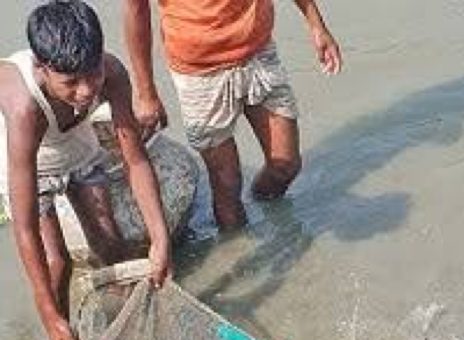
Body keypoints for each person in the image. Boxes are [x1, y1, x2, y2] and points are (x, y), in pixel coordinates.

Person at [1, 0, 173, 340]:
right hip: (30, 157)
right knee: (56, 262)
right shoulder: (23, 107)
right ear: (41, 69)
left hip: (79, 147)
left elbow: (135, 158)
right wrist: (49, 317)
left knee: (112, 243)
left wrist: (160, 238)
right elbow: (25, 224)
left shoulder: (110, 72)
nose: (84, 91)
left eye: (90, 75)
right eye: (70, 82)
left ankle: (131, 333)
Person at [123, 0, 342, 230]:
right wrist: (147, 94)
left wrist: (316, 26)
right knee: (226, 184)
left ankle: (267, 213)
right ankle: (240, 250)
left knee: (286, 164)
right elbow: (136, 9)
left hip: (258, 52)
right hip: (199, 71)